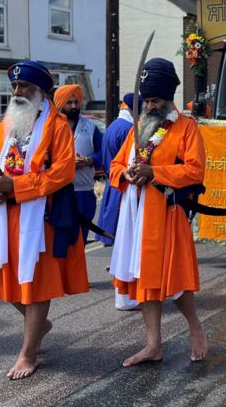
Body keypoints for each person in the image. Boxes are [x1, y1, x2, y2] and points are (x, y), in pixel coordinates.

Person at [0, 60, 90, 380]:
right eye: (14, 86)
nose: (17, 92)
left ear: (40, 92)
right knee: (6, 285)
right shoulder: (5, 126)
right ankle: (38, 327)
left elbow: (63, 172)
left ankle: (27, 352)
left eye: (23, 87)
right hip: (3, 220)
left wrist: (19, 187)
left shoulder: (57, 126)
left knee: (36, 287)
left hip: (41, 221)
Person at [109, 57, 208, 367]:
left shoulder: (186, 127)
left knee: (175, 281)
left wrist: (155, 173)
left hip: (167, 213)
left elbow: (195, 172)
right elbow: (114, 165)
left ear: (168, 99)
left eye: (155, 100)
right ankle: (153, 345)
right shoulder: (138, 127)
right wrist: (125, 175)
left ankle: (196, 329)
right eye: (147, 100)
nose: (150, 106)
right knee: (145, 280)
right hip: (136, 215)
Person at [96, 92, 142, 311]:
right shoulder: (127, 130)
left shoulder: (115, 125)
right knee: (126, 238)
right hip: (124, 186)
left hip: (113, 183)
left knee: (121, 238)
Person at [53, 84, 103, 243]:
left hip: (83, 191)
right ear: (60, 104)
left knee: (80, 241)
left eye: (76, 102)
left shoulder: (90, 127)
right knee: (58, 243)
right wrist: (66, 163)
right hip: (57, 192)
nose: (74, 106)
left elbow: (104, 153)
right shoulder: (51, 127)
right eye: (69, 102)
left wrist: (89, 160)